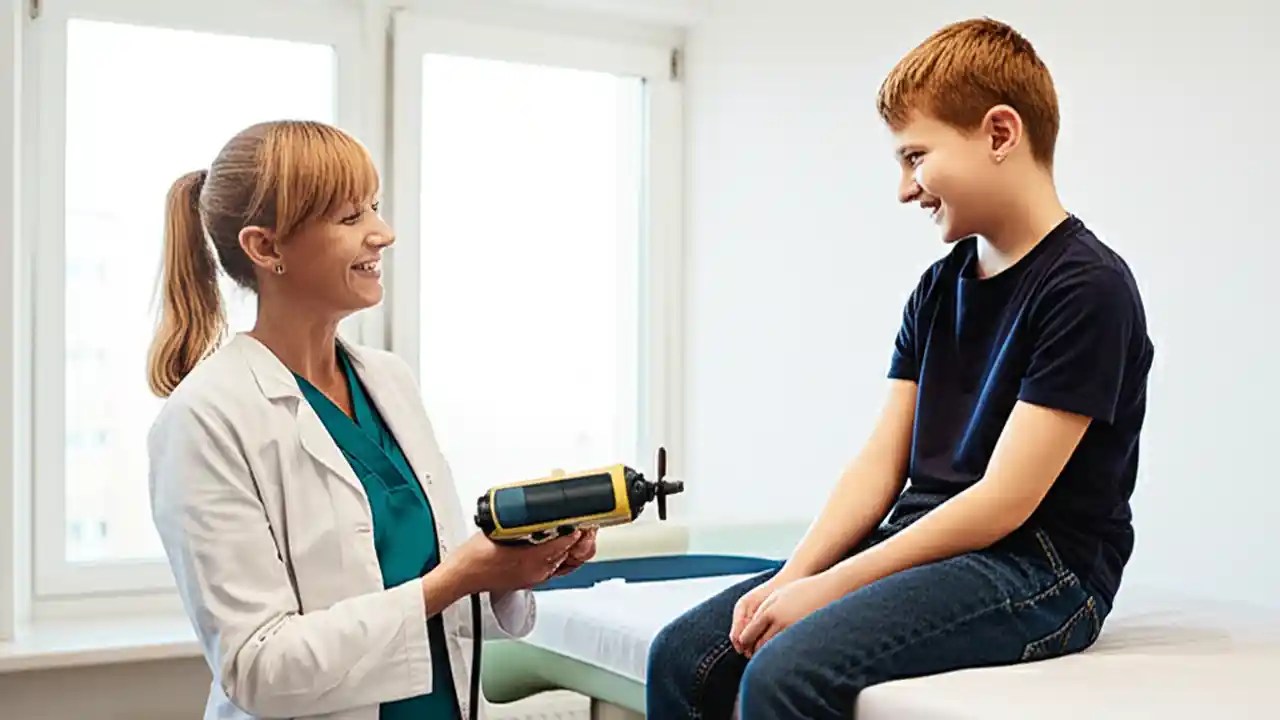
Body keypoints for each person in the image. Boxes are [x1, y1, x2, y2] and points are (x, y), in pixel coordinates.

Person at [646, 17, 1154, 719]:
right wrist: (793, 577)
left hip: (1039, 567)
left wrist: (830, 589)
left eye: (916, 157)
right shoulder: (937, 290)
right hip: (930, 548)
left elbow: (1005, 500)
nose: (906, 188)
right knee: (682, 656)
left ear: (1001, 134)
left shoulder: (1088, 288)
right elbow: (879, 468)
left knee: (786, 675)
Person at [146, 119, 597, 720]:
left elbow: (426, 579)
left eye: (375, 208)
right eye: (350, 218)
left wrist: (513, 567)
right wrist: (456, 578)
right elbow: (258, 667)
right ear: (266, 247)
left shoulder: (389, 381)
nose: (382, 234)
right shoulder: (204, 418)